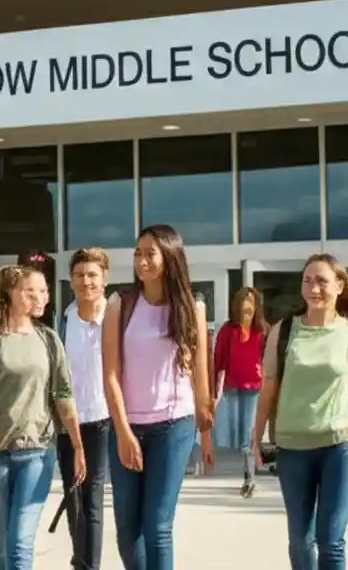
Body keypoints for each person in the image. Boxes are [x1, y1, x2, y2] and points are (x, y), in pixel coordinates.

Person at [102, 224, 214, 570]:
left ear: (169, 256)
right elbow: (110, 374)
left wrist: (206, 433)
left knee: (157, 525)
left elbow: (200, 374)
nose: (142, 260)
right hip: (127, 425)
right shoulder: (120, 303)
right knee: (127, 530)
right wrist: (123, 432)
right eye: (137, 252)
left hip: (174, 426)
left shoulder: (192, 306)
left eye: (150, 252)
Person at [0, 264, 84, 570]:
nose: (41, 296)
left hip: (37, 450)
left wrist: (77, 444)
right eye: (31, 290)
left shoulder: (47, 339)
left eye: (44, 290)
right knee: (2, 547)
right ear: (9, 293)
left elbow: (62, 394)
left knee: (20, 543)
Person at [251, 254, 348, 570]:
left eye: (322, 281)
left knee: (331, 541)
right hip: (293, 447)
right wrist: (256, 437)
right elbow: (269, 385)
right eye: (307, 280)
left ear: (339, 286)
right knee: (300, 540)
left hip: (339, 445)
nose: (314, 288)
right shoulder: (284, 330)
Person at [56, 247, 113, 570]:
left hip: (104, 420)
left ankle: (88, 565)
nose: (86, 281)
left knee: (92, 499)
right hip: (69, 422)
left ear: (105, 278)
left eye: (92, 274)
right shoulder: (63, 320)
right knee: (73, 497)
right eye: (79, 275)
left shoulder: (116, 318)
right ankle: (81, 560)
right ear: (71, 279)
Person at [212, 287, 268, 497]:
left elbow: (270, 359)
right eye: (244, 304)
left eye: (251, 304)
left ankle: (249, 477)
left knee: (248, 434)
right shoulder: (228, 330)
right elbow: (217, 360)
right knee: (232, 434)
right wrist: (211, 391)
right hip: (232, 388)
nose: (247, 308)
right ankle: (244, 470)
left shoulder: (262, 331)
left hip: (255, 389)